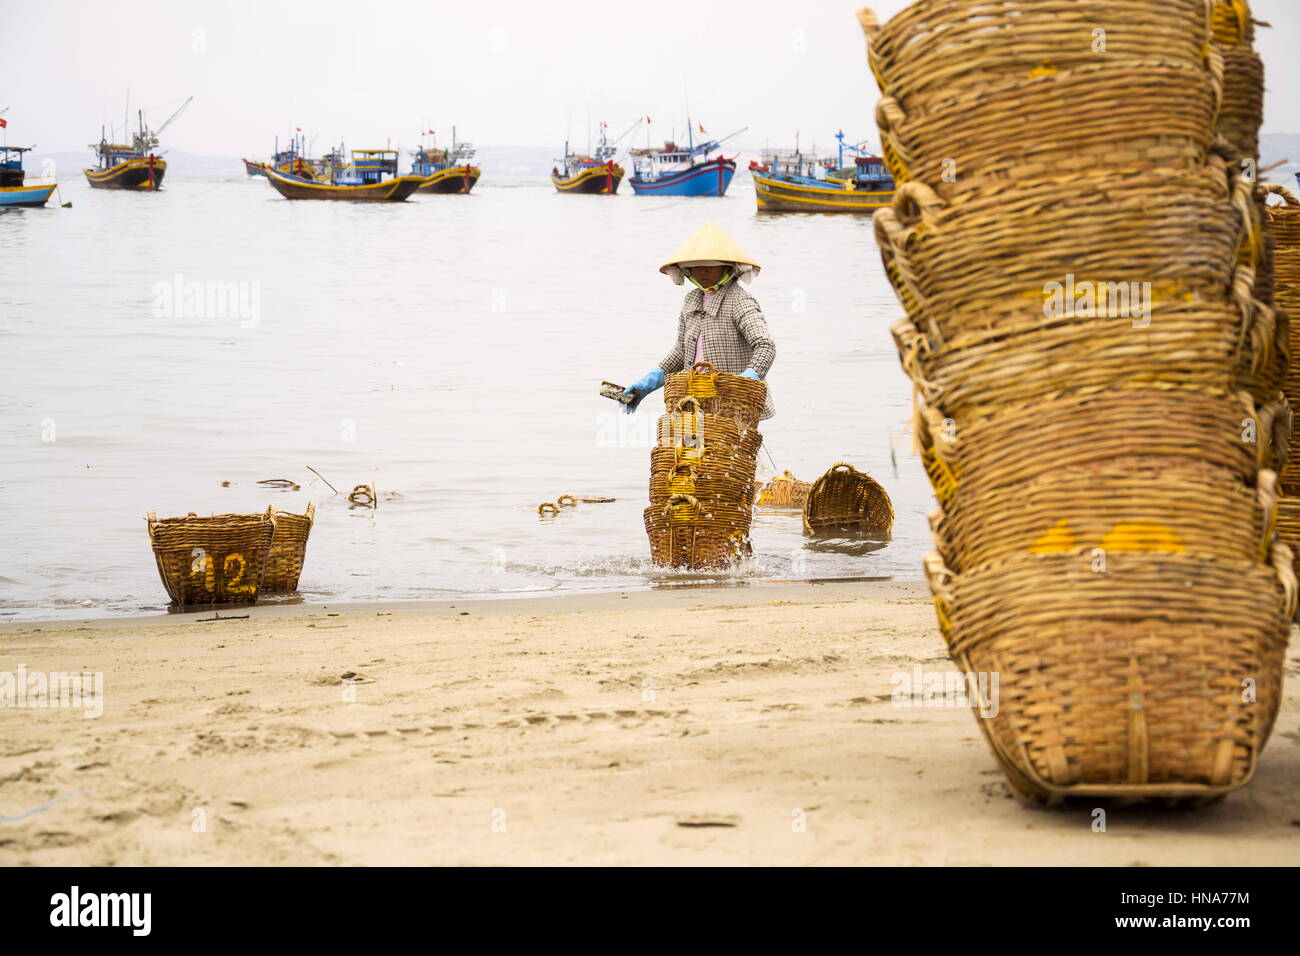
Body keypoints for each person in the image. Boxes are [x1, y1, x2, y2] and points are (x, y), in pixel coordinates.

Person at [622, 222, 776, 419]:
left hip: (734, 403)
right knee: (685, 449)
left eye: (710, 267)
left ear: (727, 268)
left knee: (724, 448)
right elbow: (681, 351)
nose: (702, 272)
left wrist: (749, 378)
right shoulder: (691, 300)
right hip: (694, 398)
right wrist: (647, 384)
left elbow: (765, 346)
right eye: (696, 267)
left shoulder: (739, 300)